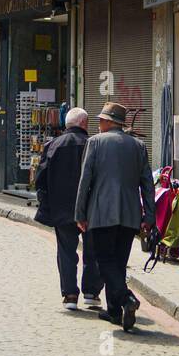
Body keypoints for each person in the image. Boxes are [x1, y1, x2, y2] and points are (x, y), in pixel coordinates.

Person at [74, 102, 156, 332]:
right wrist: (149, 215)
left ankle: (126, 298)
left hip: (102, 212)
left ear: (110, 122)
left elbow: (85, 181)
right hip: (130, 214)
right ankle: (113, 311)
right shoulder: (138, 146)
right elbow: (147, 184)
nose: (98, 124)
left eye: (101, 120)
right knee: (118, 262)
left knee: (104, 260)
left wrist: (79, 213)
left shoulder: (95, 143)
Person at [35, 107, 102, 311]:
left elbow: (41, 178)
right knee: (93, 250)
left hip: (62, 208)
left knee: (66, 251)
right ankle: (91, 292)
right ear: (83, 124)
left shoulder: (53, 145)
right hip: (90, 209)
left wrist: (46, 202)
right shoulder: (94, 144)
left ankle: (70, 295)